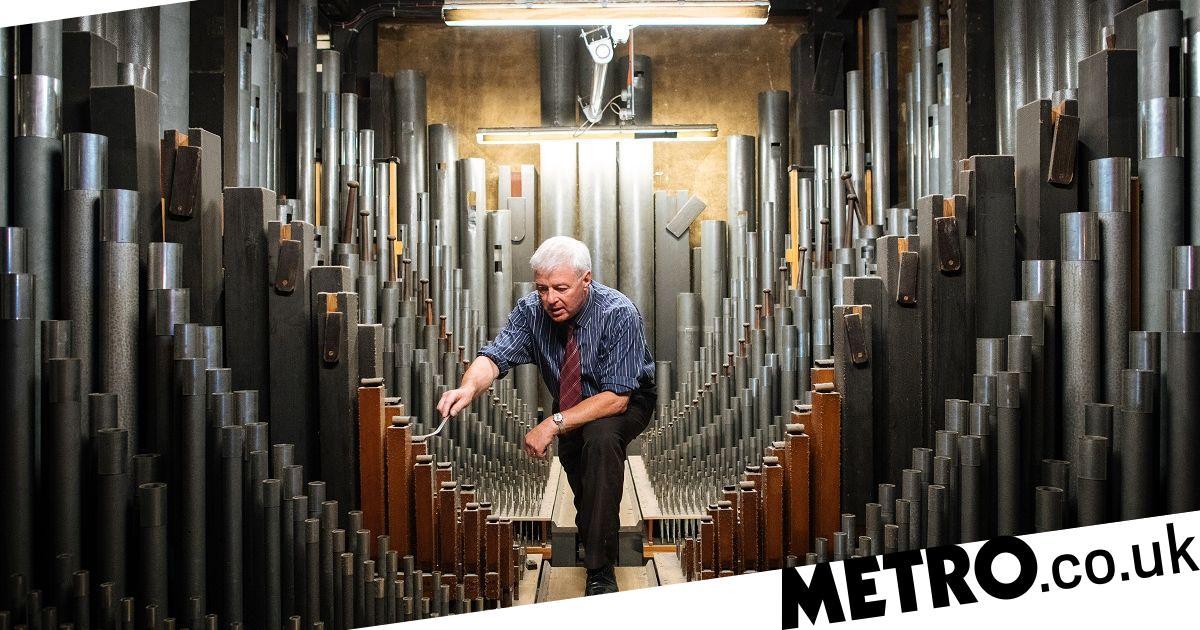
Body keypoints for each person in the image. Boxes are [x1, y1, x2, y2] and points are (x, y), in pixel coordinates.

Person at [437, 235, 656, 596]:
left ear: (586, 279)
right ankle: (596, 536)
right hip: (573, 403)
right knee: (584, 483)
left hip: (624, 399)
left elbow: (616, 398)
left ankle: (600, 572)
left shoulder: (619, 313)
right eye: (542, 288)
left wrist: (552, 424)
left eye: (560, 288)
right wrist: (467, 387)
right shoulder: (531, 310)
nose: (550, 299)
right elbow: (493, 357)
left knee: (600, 441)